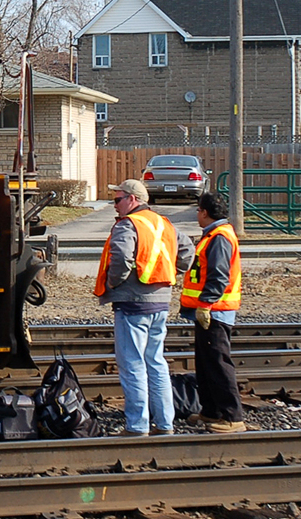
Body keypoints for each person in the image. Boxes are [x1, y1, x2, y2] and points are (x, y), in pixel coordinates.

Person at [94, 179, 194, 437]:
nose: (114, 205)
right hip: (160, 302)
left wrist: (115, 283)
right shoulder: (164, 223)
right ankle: (164, 424)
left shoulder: (128, 225)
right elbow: (186, 252)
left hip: (132, 303)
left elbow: (122, 258)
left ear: (132, 199)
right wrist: (171, 272)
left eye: (117, 200)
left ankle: (137, 425)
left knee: (132, 364)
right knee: (156, 362)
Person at [180, 192, 246, 433]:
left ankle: (232, 417)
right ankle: (211, 412)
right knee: (206, 363)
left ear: (205, 213)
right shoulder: (215, 235)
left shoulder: (219, 237)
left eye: (198, 210)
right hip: (209, 310)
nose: (197, 214)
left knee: (218, 364)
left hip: (215, 311)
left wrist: (206, 303)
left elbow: (219, 275)